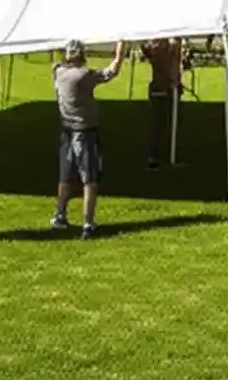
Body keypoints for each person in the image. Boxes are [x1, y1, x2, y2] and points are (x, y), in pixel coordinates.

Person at [51, 39, 126, 239]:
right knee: (90, 179)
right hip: (84, 131)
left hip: (66, 130)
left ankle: (60, 214)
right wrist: (119, 52)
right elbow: (111, 72)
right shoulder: (83, 75)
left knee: (65, 176)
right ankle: (88, 223)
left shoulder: (58, 72)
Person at [140, 38, 182, 170]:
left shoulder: (166, 49)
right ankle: (154, 156)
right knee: (158, 123)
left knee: (168, 122)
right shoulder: (157, 51)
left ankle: (165, 154)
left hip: (168, 88)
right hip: (160, 88)